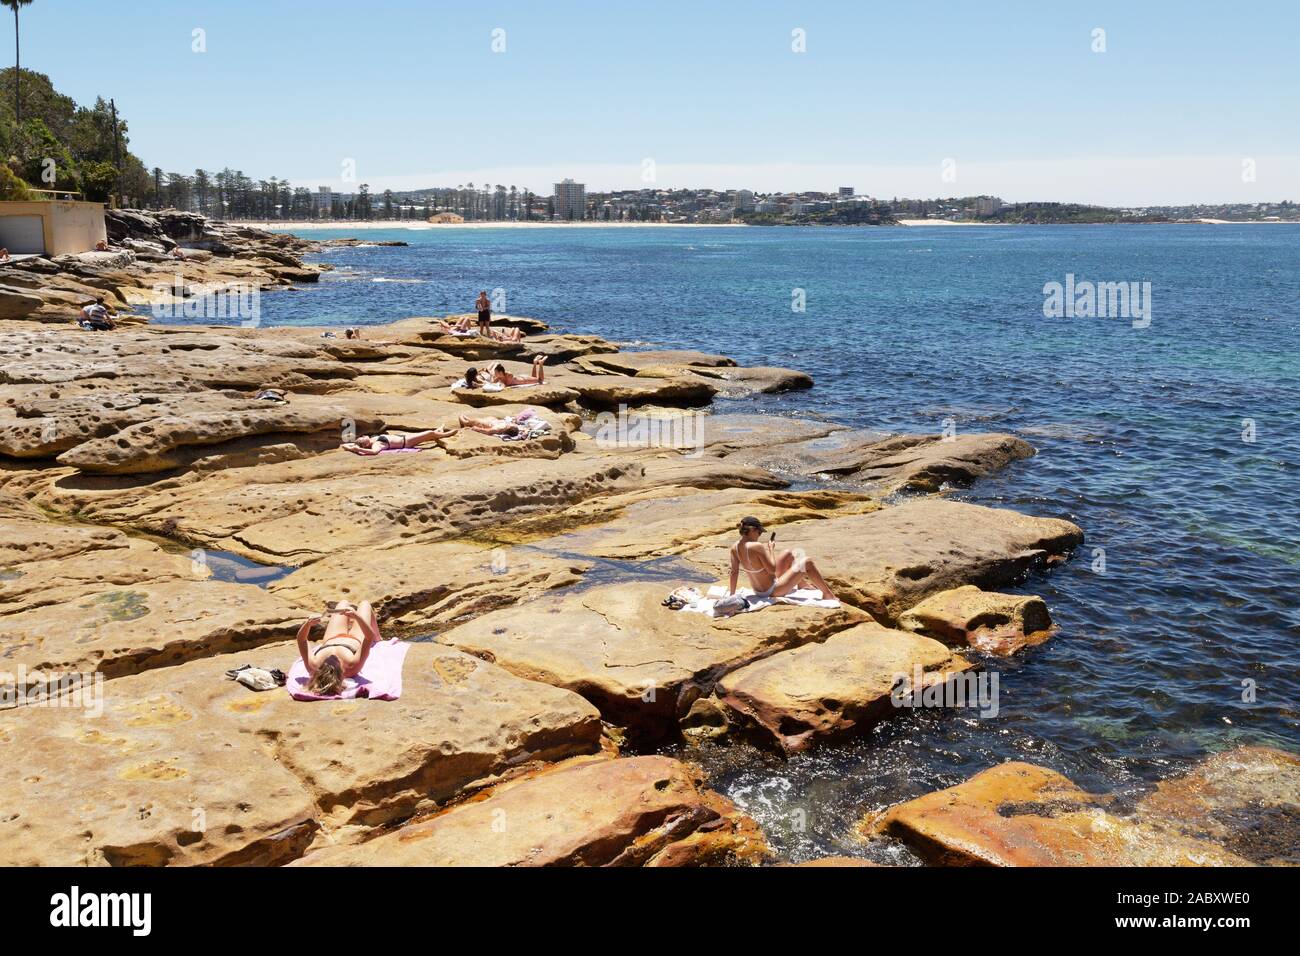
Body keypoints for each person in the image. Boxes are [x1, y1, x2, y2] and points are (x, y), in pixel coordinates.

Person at [728, 515, 838, 601]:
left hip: (758, 590)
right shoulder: (756, 546)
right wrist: (771, 549)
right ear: (752, 530)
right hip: (772, 590)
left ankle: (802, 584)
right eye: (759, 531)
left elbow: (734, 572)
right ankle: (828, 594)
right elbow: (772, 570)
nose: (760, 534)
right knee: (807, 562)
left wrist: (732, 595)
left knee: (787, 553)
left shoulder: (735, 547)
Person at [295, 600, 382, 696]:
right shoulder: (352, 665)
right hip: (355, 638)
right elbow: (369, 636)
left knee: (343, 603)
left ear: (319, 671)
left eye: (325, 661)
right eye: (334, 660)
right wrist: (357, 617)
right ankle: (379, 639)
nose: (331, 656)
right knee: (365, 604)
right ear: (340, 671)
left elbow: (301, 640)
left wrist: (307, 624)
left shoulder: (313, 665)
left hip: (332, 637)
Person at [341, 426, 457, 456]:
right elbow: (374, 452)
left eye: (362, 436)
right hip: (406, 442)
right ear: (365, 444)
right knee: (429, 433)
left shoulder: (371, 439)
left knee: (426, 434)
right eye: (363, 438)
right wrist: (358, 449)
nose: (364, 436)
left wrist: (352, 447)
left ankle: (439, 431)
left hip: (403, 436)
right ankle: (445, 434)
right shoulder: (376, 444)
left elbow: (344, 445)